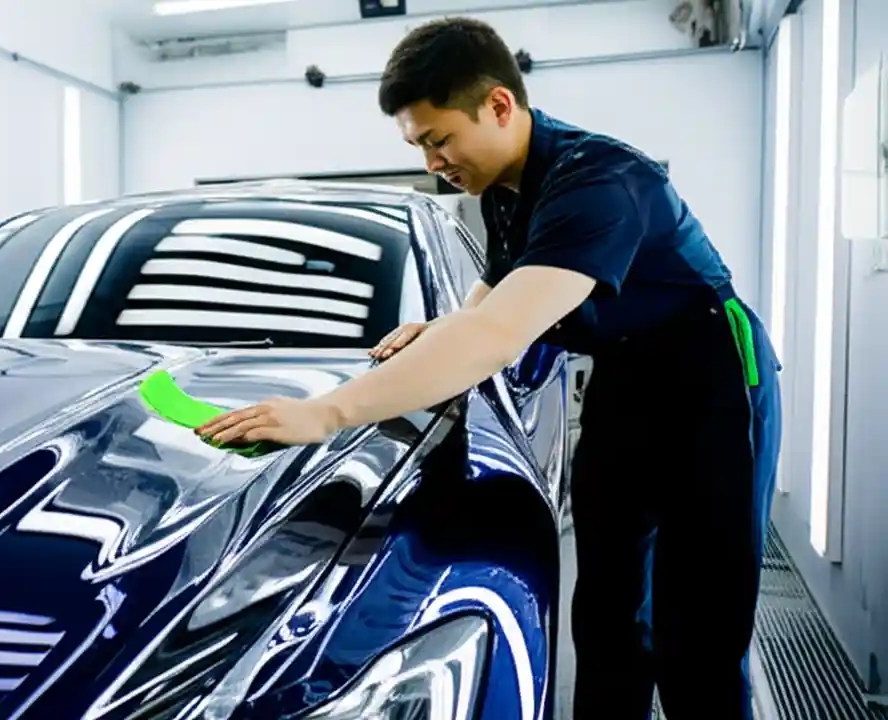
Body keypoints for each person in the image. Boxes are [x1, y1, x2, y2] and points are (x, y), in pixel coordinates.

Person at [195, 16, 782, 720]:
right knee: (606, 609)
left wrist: (327, 411)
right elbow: (490, 303)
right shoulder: (505, 191)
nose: (431, 163)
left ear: (499, 106)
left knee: (701, 625)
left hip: (711, 374)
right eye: (418, 147)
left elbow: (500, 334)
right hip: (626, 378)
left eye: (438, 140)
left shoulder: (603, 181)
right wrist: (437, 332)